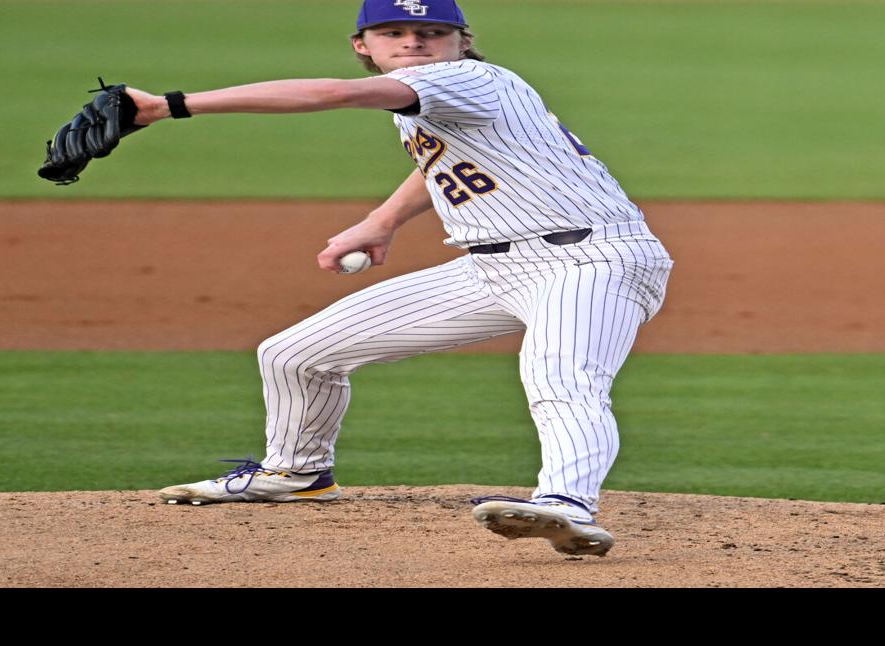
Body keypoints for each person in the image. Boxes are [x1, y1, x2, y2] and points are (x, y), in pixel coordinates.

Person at [142, 0, 673, 557]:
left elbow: (335, 93)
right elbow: (449, 162)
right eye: (393, 31)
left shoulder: (471, 78)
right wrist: (380, 221)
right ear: (362, 45)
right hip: (493, 267)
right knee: (295, 353)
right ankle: (297, 474)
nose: (413, 42)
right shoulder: (433, 101)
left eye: (431, 32)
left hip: (594, 259)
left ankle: (568, 506)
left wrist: (168, 106)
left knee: (562, 381)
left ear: (462, 41)